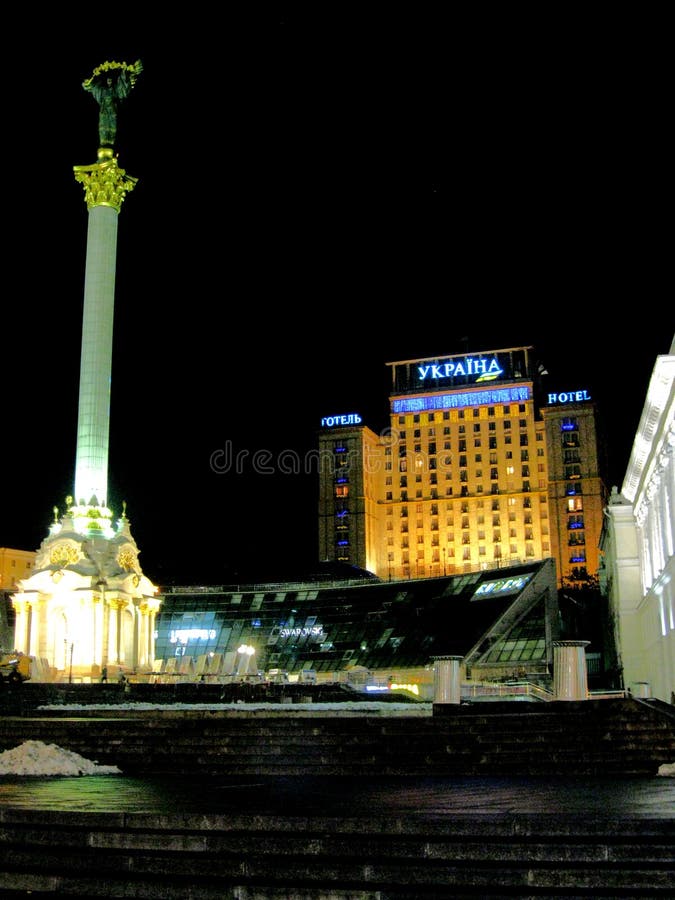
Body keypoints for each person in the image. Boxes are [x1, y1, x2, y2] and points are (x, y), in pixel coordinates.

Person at [82, 60, 142, 148]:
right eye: (108, 80)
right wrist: (89, 84)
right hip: (104, 111)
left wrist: (125, 73)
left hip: (113, 111)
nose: (109, 81)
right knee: (103, 126)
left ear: (112, 81)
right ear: (106, 81)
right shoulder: (102, 90)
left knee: (113, 127)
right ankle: (103, 142)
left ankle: (111, 143)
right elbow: (94, 88)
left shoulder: (115, 89)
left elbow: (122, 87)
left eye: (110, 80)